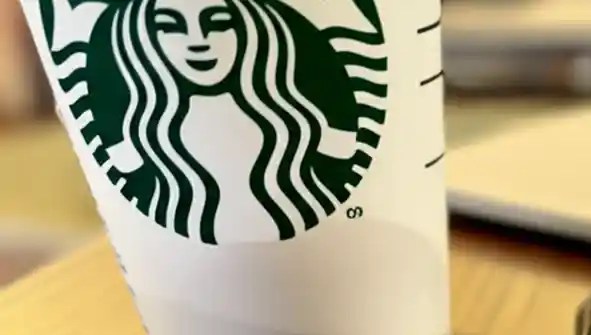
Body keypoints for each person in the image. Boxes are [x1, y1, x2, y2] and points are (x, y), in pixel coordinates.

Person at [38, 0, 386, 243]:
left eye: (218, 23)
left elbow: (347, 148)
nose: (198, 42)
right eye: (171, 27)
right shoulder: (143, 135)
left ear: (250, 29)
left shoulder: (302, 122)